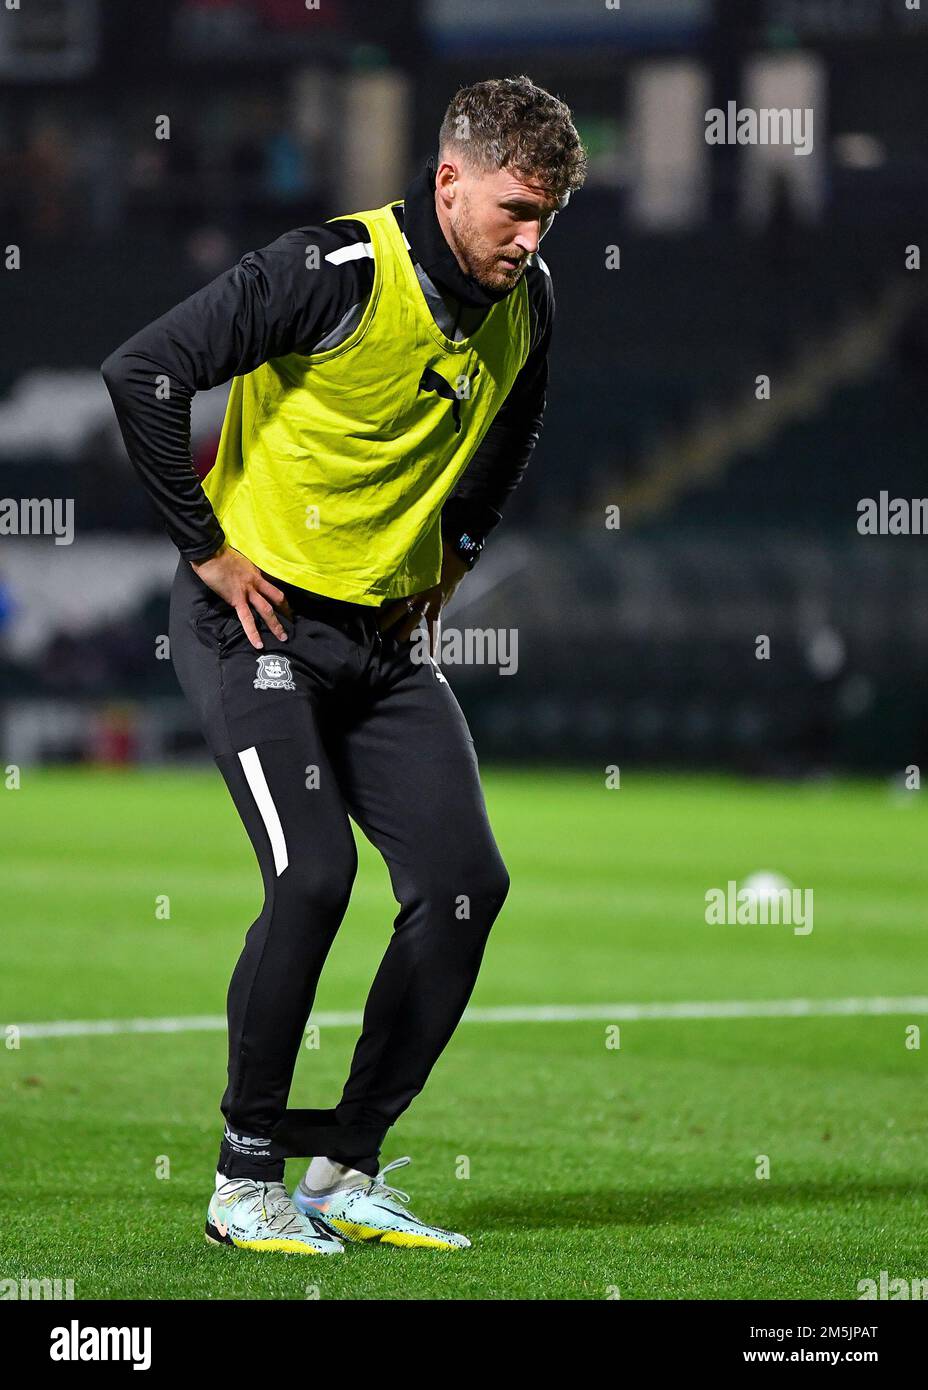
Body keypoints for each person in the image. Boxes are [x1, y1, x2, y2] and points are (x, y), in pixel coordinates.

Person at [102, 75, 586, 1255]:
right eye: (516, 210)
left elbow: (513, 430)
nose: (530, 239)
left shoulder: (528, 306)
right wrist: (207, 550)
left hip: (377, 639)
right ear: (447, 181)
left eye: (551, 217)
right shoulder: (333, 272)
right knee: (312, 875)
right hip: (252, 624)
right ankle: (241, 1179)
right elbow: (145, 373)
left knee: (467, 885)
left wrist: (456, 552)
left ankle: (345, 1165)